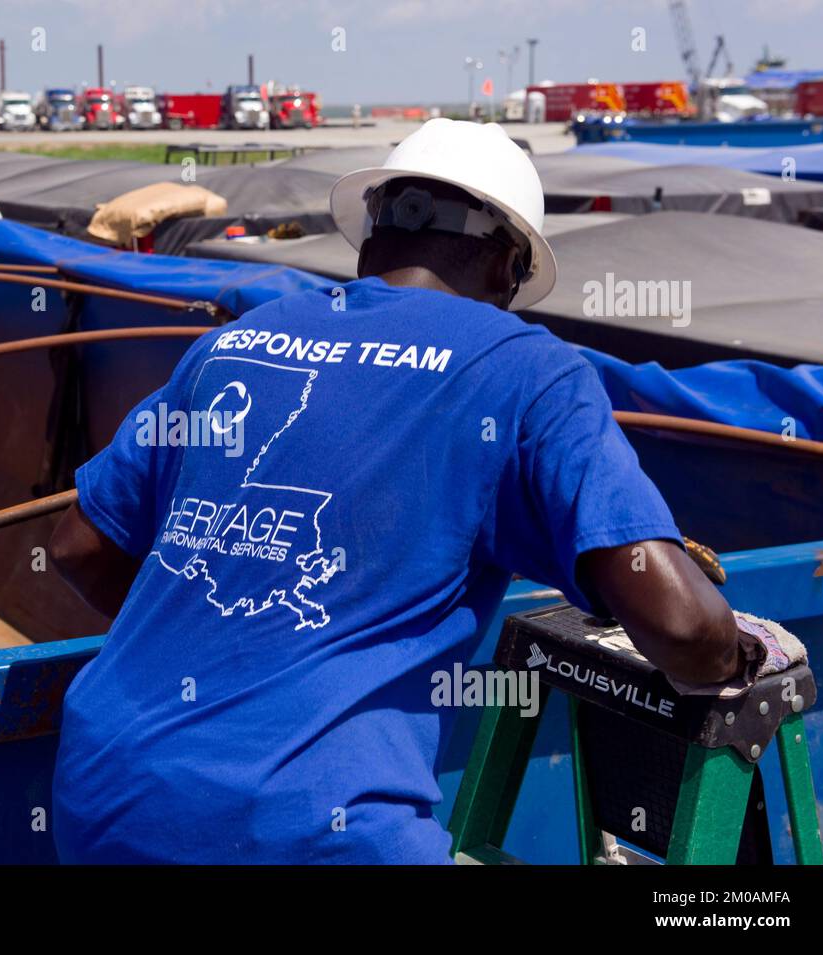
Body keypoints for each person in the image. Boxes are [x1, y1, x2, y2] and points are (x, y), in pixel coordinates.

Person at [47, 119, 742, 864]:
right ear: (509, 266)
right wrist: (734, 658)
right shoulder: (526, 370)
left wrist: (226, 650)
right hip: (308, 830)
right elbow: (681, 627)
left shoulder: (235, 343)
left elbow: (77, 545)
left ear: (372, 233)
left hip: (101, 794)